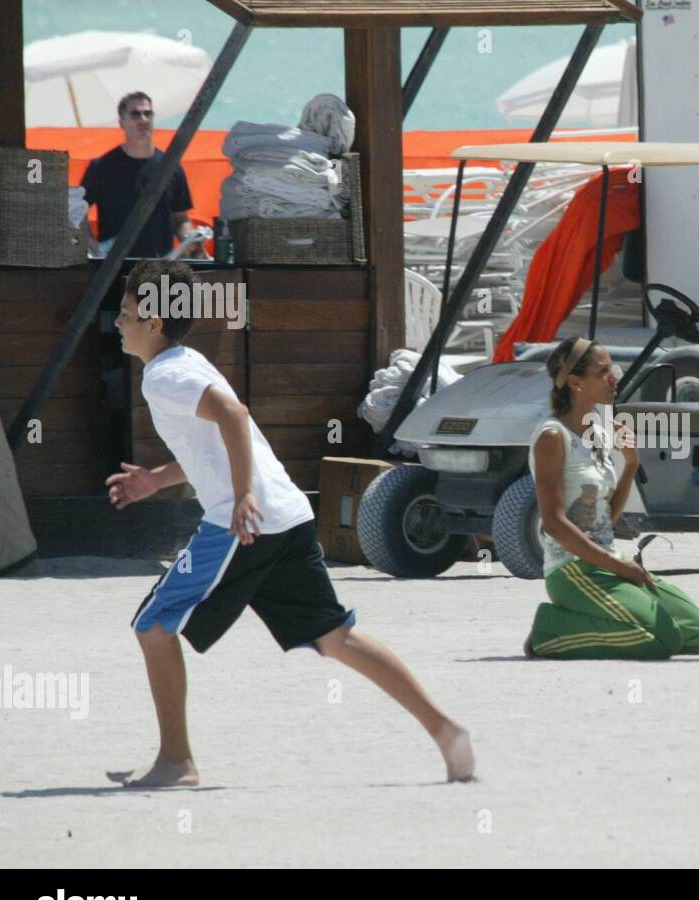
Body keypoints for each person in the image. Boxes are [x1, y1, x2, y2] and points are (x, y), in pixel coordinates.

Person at [105, 259, 473, 787]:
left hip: (246, 522)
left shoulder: (165, 375)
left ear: (154, 323)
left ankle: (176, 761)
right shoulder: (188, 362)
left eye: (125, 313)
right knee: (335, 636)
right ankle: (445, 730)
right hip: (289, 516)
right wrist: (156, 480)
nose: (118, 322)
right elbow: (216, 438)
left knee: (153, 625)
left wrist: (242, 494)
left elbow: (234, 416)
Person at [524, 337, 699, 659]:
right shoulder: (552, 437)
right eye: (603, 372)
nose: (615, 377)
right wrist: (620, 567)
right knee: (662, 639)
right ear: (575, 383)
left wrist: (631, 465)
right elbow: (554, 524)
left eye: (613, 369)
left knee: (696, 632)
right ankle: (549, 632)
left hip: (607, 561)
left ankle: (609, 620)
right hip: (573, 570)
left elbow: (605, 520)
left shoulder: (596, 432)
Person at [80, 92, 200, 258]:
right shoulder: (102, 167)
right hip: (114, 272)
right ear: (122, 122)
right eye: (136, 114)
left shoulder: (171, 166)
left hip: (160, 270)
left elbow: (180, 219)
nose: (143, 119)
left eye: (148, 113)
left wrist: (194, 246)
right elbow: (77, 212)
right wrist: (93, 249)